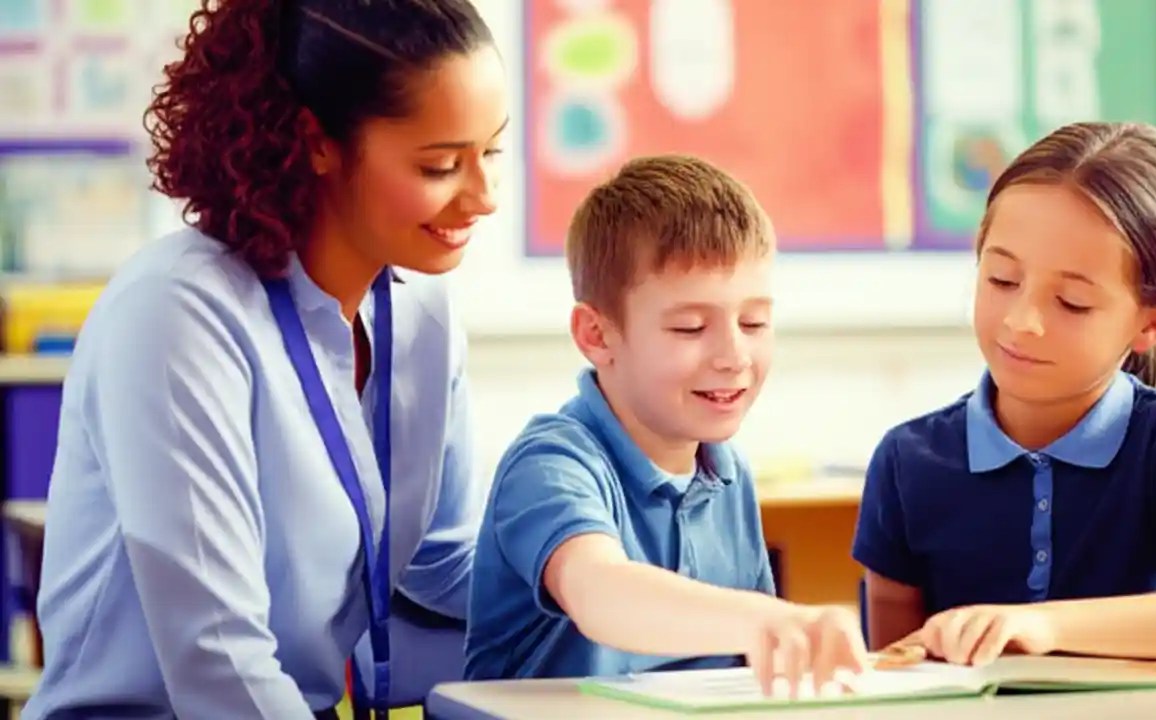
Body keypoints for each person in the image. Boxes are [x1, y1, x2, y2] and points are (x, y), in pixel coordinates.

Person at [24, 1, 508, 717]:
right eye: (440, 165)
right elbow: (219, 660)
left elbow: (446, 570)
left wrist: (599, 583)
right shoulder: (177, 315)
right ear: (316, 142)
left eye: (492, 152)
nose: (485, 198)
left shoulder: (421, 316)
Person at [854, 122, 1156, 667]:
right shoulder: (907, 462)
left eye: (1073, 302)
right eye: (1002, 279)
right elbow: (894, 673)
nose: (1022, 321)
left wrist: (1045, 625)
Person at [464, 155, 869, 699]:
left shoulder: (727, 472)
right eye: (690, 327)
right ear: (596, 335)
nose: (733, 356)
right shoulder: (551, 464)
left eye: (754, 322)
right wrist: (771, 619)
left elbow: (748, 671)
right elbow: (600, 593)